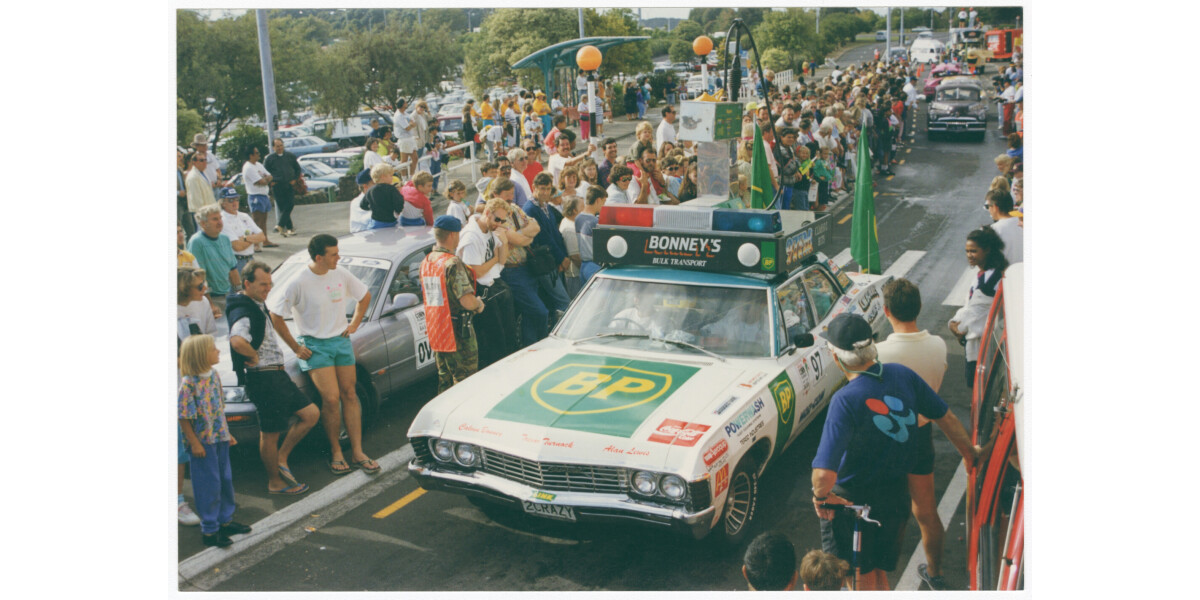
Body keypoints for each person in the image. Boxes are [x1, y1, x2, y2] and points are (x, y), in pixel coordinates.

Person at [811, 314, 978, 591]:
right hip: (895, 504)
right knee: (876, 574)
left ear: (838, 358)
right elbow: (945, 417)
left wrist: (821, 497)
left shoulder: (845, 400)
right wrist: (970, 453)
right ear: (871, 346)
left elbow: (823, 475)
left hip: (855, 508)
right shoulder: (902, 374)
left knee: (858, 580)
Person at [266, 234, 379, 476]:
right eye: (334, 254)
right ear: (319, 257)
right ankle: (336, 452)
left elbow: (365, 296)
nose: (338, 258)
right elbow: (276, 315)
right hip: (315, 346)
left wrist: (355, 323)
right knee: (330, 399)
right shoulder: (298, 282)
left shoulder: (340, 273)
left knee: (350, 393)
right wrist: (296, 347)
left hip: (341, 342)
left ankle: (358, 451)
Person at [875, 278, 950, 591]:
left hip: (885, 439)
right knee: (926, 510)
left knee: (881, 509)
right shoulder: (938, 345)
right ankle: (934, 572)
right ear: (918, 308)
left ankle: (877, 577)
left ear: (886, 310)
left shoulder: (879, 353)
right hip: (921, 436)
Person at [226, 261, 320, 496]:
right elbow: (237, 340)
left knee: (311, 414)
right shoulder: (243, 310)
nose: (267, 288)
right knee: (270, 432)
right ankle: (275, 482)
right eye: (262, 284)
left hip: (277, 375)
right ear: (247, 283)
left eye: (270, 284)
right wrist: (252, 355)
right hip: (264, 378)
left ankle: (281, 458)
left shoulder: (255, 303)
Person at [178, 334, 251, 548]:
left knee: (225, 478)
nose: (218, 351)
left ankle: (225, 520)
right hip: (202, 442)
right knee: (208, 484)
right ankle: (210, 530)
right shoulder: (189, 383)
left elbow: (219, 407)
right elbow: (184, 416)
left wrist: (227, 432)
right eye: (213, 349)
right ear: (201, 355)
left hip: (219, 436)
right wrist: (194, 442)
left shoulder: (214, 375)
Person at [421, 215, 487, 393]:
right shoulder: (452, 263)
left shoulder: (427, 261)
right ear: (452, 235)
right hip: (458, 331)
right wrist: (478, 304)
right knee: (464, 382)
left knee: (445, 380)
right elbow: (466, 301)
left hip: (438, 329)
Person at [949, 227, 1009, 389]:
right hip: (977, 341)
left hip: (984, 344)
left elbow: (975, 311)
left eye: (973, 251)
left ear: (987, 250)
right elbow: (970, 306)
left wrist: (956, 325)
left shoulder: (993, 279)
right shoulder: (983, 275)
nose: (969, 255)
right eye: (967, 251)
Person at [523, 173, 572, 323]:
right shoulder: (530, 209)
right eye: (542, 189)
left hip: (554, 261)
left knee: (556, 303)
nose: (545, 192)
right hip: (545, 263)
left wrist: (563, 256)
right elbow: (544, 237)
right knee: (564, 302)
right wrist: (561, 258)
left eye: (548, 189)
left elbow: (555, 234)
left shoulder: (546, 207)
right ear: (534, 188)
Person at [187, 204, 242, 311]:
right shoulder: (196, 242)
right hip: (209, 298)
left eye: (220, 218)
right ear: (203, 223)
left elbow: (232, 269)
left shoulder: (225, 239)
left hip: (228, 294)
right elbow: (198, 276)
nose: (220, 222)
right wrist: (210, 305)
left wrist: (239, 294)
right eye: (215, 219)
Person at [218, 188, 265, 273]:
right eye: (230, 200)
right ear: (223, 203)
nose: (234, 202)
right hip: (236, 262)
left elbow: (262, 236)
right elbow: (237, 247)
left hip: (250, 259)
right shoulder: (222, 220)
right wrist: (253, 238)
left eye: (236, 199)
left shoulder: (244, 216)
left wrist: (244, 238)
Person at [240, 146, 278, 248]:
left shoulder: (258, 165)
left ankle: (265, 240)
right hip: (255, 196)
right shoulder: (248, 167)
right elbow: (260, 181)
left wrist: (266, 180)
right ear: (251, 155)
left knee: (264, 220)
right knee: (256, 221)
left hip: (264, 195)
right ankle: (255, 243)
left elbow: (270, 176)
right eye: (257, 153)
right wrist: (265, 180)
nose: (259, 154)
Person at [263, 137, 301, 237]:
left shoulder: (290, 156)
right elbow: (265, 173)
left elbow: (297, 169)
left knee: (290, 205)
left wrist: (295, 179)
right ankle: (289, 228)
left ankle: (280, 226)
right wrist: (270, 182)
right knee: (282, 208)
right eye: (277, 146)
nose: (279, 148)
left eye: (281, 145)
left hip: (289, 184)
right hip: (277, 186)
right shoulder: (269, 159)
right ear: (273, 147)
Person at [576, 185, 606, 285]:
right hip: (594, 265)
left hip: (583, 266)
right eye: (603, 202)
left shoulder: (578, 218)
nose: (604, 206)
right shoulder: (595, 222)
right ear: (598, 200)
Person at [358, 163, 404, 229]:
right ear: (383, 176)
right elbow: (399, 202)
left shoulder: (370, 190)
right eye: (390, 176)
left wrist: (372, 208)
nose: (392, 178)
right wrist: (397, 211)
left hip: (376, 222)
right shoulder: (392, 189)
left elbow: (362, 205)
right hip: (390, 221)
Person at [985, 189, 1023, 264]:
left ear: (995, 207)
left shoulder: (993, 230)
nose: (988, 210)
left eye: (988, 206)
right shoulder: (1023, 223)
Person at [558, 196, 583, 299]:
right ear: (574, 210)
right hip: (574, 275)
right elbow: (575, 256)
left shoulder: (570, 223)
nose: (584, 209)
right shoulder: (569, 229)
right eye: (582, 207)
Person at [184, 151, 216, 232]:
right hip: (202, 214)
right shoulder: (193, 177)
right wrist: (204, 215)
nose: (204, 162)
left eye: (205, 160)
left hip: (210, 211)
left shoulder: (203, 173)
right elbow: (196, 199)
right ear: (194, 162)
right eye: (201, 160)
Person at [392, 98, 419, 176]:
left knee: (415, 158)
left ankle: (411, 175)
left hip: (410, 138)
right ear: (402, 104)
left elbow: (414, 123)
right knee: (404, 160)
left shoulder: (406, 114)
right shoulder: (398, 115)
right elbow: (407, 127)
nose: (407, 103)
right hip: (404, 139)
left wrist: (411, 125)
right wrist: (411, 125)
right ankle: (404, 178)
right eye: (405, 102)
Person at [348, 168, 375, 233]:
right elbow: (370, 219)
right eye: (375, 183)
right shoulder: (357, 202)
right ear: (365, 186)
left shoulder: (377, 198)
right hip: (364, 237)